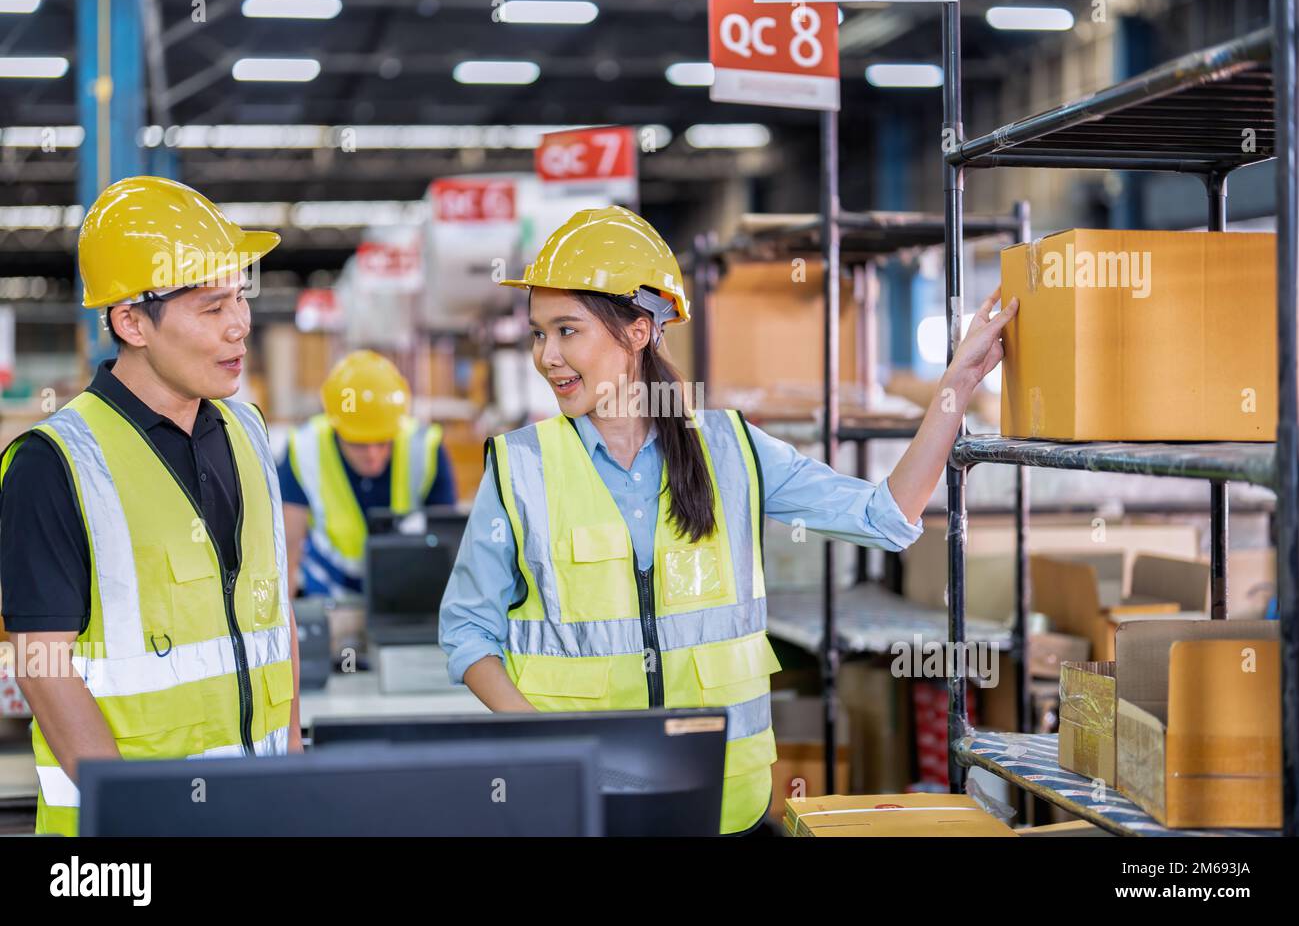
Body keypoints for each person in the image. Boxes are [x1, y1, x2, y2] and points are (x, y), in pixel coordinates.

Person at [438, 205, 1017, 835]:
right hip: (581, 802)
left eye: (567, 330)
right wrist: (542, 745)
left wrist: (956, 385)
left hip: (722, 803)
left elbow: (886, 515)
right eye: (538, 333)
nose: (546, 356)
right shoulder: (520, 465)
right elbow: (468, 631)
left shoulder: (732, 449)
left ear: (637, 331)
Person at [0, 176, 301, 836]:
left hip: (256, 812)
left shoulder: (248, 432)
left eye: (240, 299)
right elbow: (42, 662)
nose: (240, 325)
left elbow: (274, 619)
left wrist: (292, 777)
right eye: (212, 306)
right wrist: (130, 812)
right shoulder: (53, 463)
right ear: (131, 321)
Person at [278, 350, 455, 598]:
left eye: (383, 442)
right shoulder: (305, 448)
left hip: (409, 595)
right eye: (359, 444)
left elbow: (449, 545)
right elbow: (288, 546)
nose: (373, 454)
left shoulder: (424, 448)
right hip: (331, 594)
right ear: (336, 429)